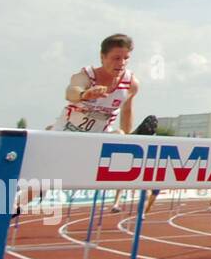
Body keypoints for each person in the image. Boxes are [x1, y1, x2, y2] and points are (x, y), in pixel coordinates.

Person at [42, 34, 142, 214]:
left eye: (126, 58)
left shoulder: (131, 84)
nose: (121, 63)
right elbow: (71, 91)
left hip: (97, 137)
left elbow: (127, 112)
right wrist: (84, 95)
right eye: (116, 58)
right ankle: (15, 207)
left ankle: (116, 198)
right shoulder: (86, 76)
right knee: (44, 182)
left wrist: (129, 137)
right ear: (103, 57)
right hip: (67, 131)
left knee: (120, 136)